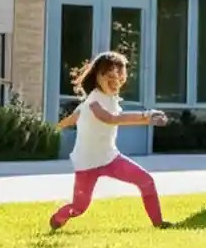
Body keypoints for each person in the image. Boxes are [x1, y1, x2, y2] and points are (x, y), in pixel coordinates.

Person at [50, 51, 172, 230]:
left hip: (110, 158)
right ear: (98, 76)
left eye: (119, 77)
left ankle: (159, 223)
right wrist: (146, 116)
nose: (116, 80)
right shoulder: (93, 101)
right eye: (110, 76)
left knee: (146, 181)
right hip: (87, 164)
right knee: (79, 207)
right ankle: (58, 218)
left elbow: (74, 118)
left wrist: (149, 118)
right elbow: (111, 119)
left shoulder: (110, 99)